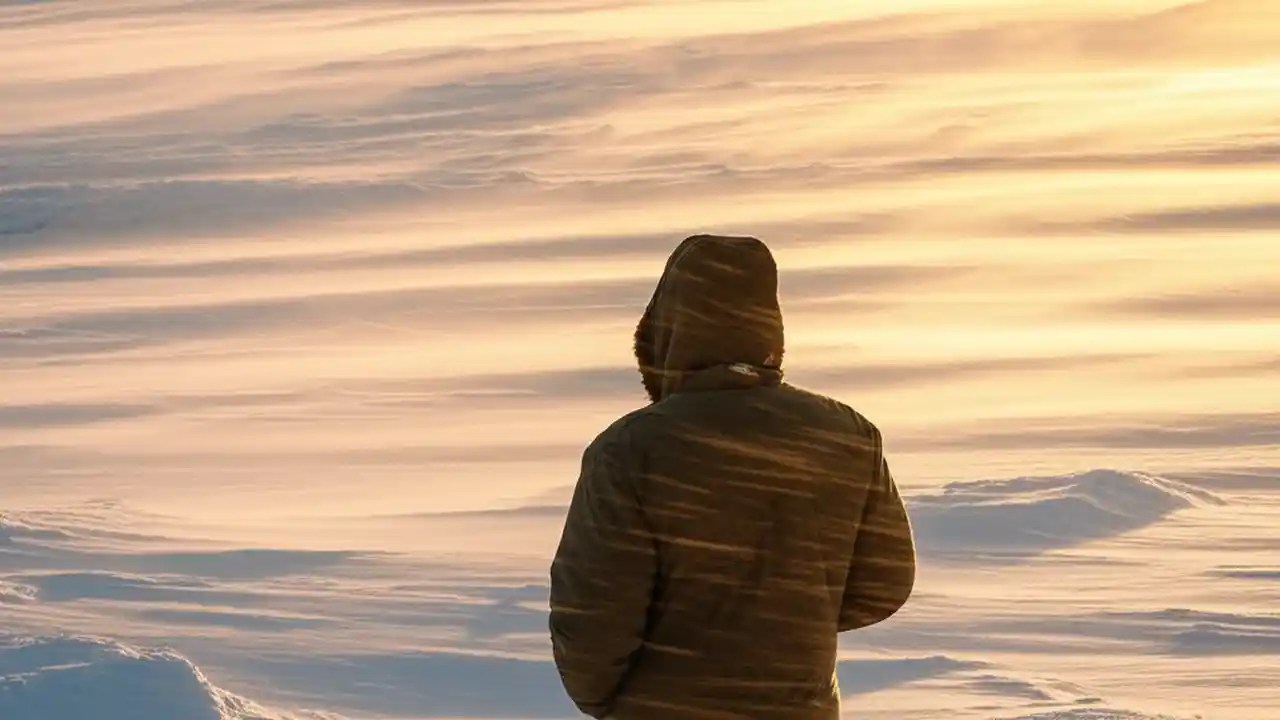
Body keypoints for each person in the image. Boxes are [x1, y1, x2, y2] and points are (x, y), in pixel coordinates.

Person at [549, 234, 916, 720]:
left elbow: (593, 617)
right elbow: (885, 583)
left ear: (666, 330)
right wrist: (785, 625)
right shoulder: (846, 435)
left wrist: (611, 701)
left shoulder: (629, 451)